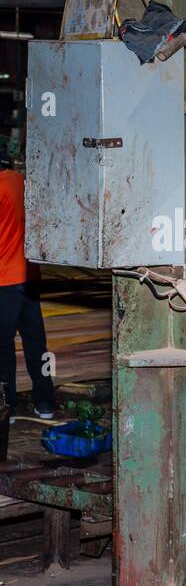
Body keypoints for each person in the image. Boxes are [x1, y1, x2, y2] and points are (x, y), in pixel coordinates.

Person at [0, 165, 55, 421]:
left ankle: (7, 406)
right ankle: (45, 403)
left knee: (3, 346)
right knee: (36, 342)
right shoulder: (23, 181)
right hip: (30, 274)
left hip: (4, 279)